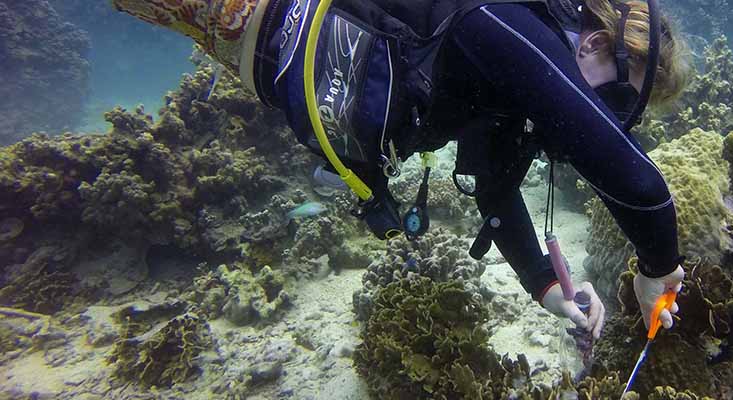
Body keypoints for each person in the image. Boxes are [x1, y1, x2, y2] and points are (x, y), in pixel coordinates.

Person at [112, 0, 691, 339]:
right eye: (614, 103)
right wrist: (655, 271)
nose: (603, 120)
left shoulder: (506, 90)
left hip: (246, 52)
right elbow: (633, 177)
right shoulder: (499, 20)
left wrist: (547, 287)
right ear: (592, 42)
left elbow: (494, 190)